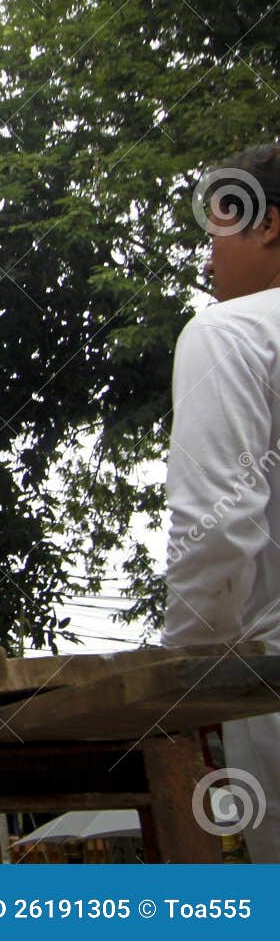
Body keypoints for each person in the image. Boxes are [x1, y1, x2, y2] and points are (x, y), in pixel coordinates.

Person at [161, 143, 280, 863]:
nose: (209, 262)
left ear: (266, 225)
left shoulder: (232, 333)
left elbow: (215, 531)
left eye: (216, 233)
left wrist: (184, 683)